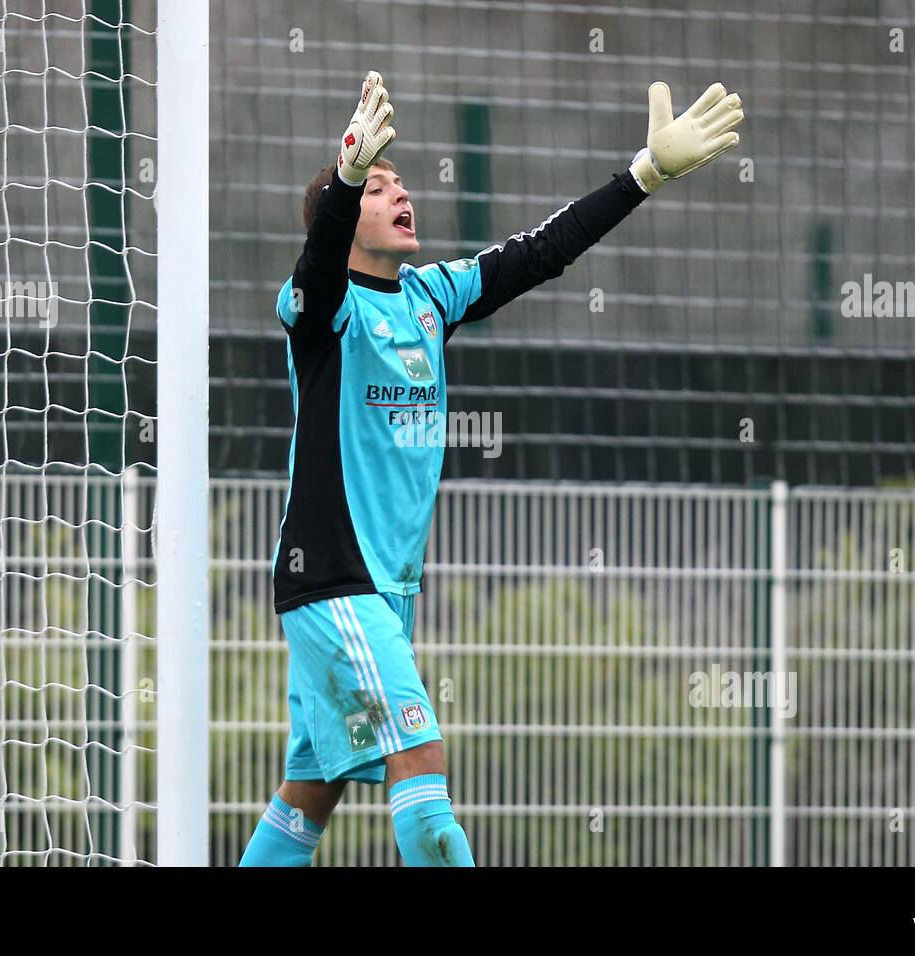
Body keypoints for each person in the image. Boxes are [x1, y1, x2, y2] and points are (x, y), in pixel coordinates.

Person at [239, 70, 744, 866]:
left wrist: (642, 174)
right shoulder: (321, 310)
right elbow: (313, 268)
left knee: (309, 792)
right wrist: (342, 177)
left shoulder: (432, 296)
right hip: (333, 582)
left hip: (386, 591)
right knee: (424, 772)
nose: (400, 192)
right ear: (345, 216)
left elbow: (542, 250)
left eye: (400, 182)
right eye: (379, 186)